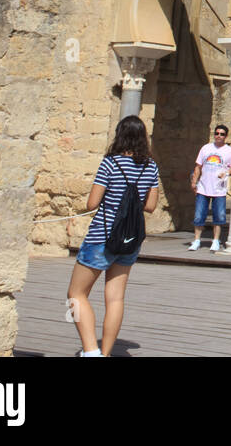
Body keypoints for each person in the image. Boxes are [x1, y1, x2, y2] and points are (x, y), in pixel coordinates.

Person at [67, 115, 160, 357]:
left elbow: (92, 202)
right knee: (116, 299)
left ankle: (90, 351)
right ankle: (106, 353)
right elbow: (150, 206)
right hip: (130, 239)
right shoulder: (151, 166)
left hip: (102, 236)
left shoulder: (110, 163)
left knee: (75, 295)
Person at [189, 124, 231, 251]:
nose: (219, 136)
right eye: (217, 133)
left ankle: (215, 240)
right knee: (199, 215)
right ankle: (197, 240)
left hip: (219, 188)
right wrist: (194, 182)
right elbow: (198, 166)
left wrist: (225, 173)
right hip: (203, 187)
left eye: (222, 134)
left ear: (226, 136)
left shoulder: (230, 152)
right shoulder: (206, 148)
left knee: (219, 216)